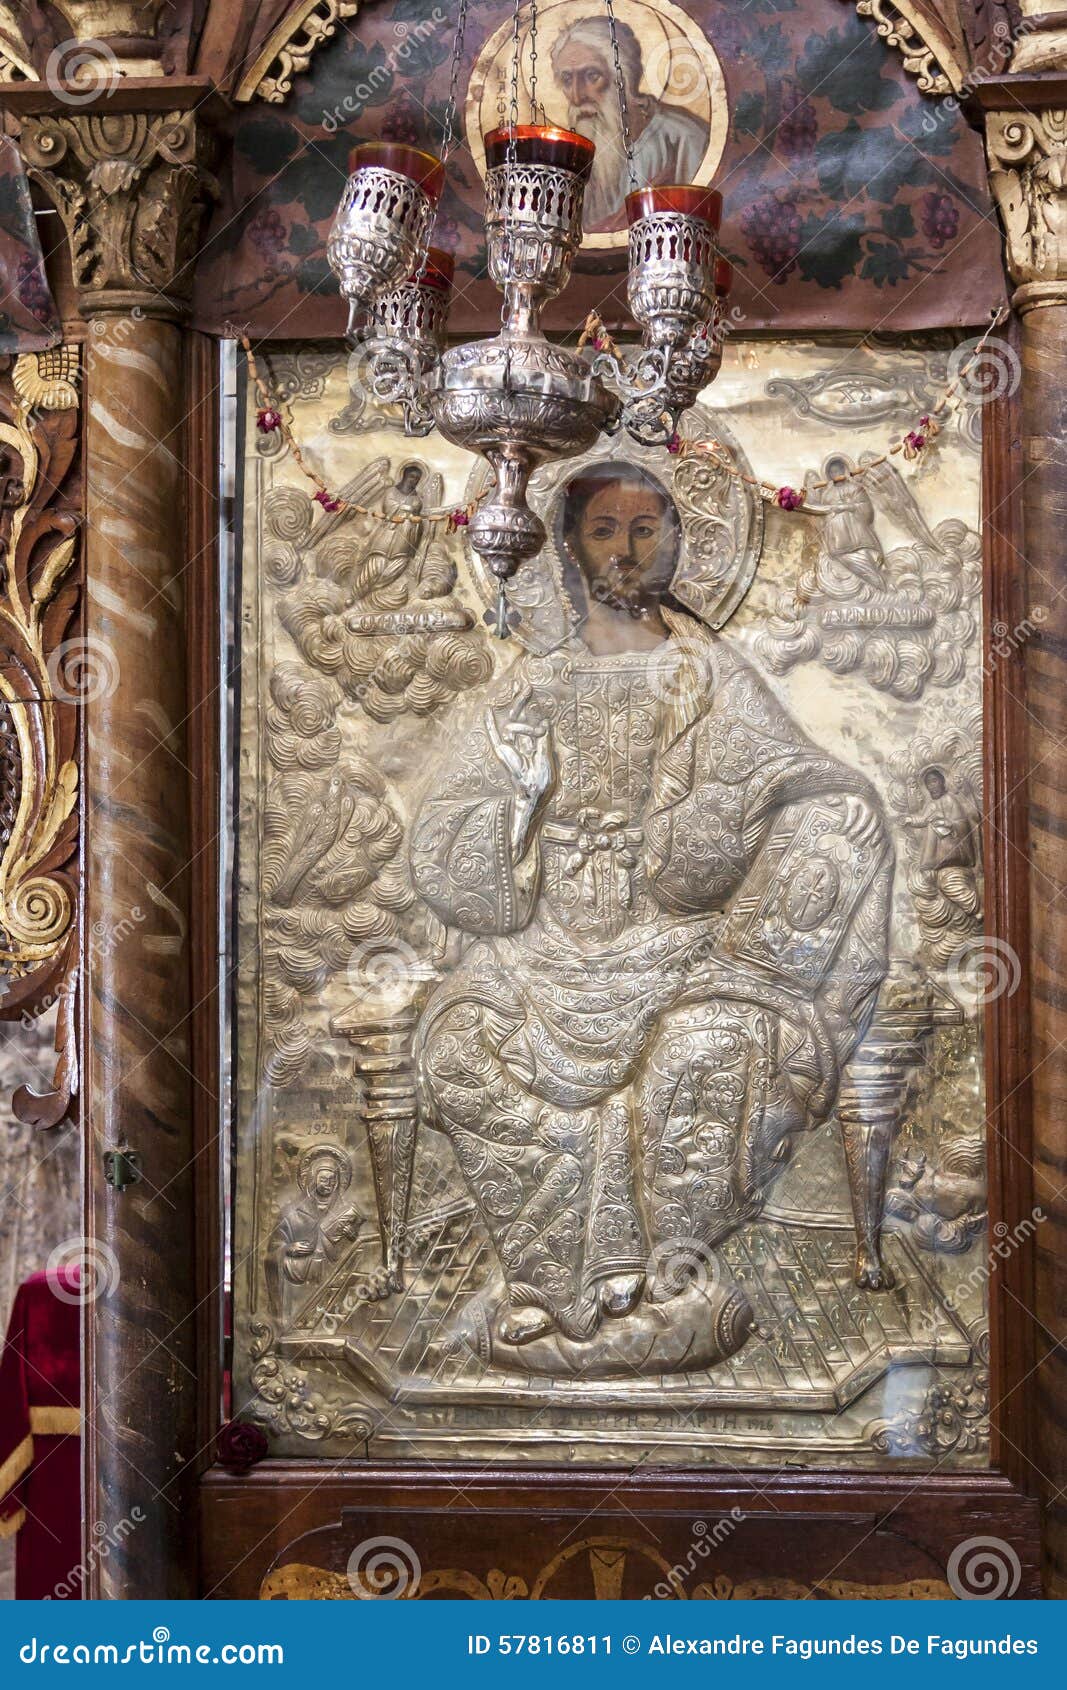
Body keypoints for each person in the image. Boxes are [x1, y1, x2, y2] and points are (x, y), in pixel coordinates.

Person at [410, 462, 893, 1369]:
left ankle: (664, 1275)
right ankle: (551, 1281)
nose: (625, 549)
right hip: (539, 956)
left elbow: (797, 788)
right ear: (565, 548)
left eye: (644, 528)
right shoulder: (530, 687)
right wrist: (516, 796)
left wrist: (709, 813)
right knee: (455, 1048)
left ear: (678, 541)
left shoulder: (710, 677)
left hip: (682, 951)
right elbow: (445, 850)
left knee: (710, 1049)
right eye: (602, 530)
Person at [550, 17, 709, 233]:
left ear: (625, 77)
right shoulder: (567, 159)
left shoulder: (683, 139)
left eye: (592, 76)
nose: (577, 97)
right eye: (567, 80)